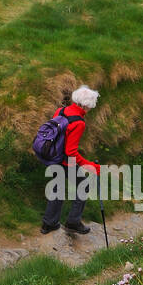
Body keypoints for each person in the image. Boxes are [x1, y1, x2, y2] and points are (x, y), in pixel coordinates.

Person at [40, 85, 101, 236]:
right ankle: (73, 222)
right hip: (67, 161)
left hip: (53, 156)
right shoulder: (79, 123)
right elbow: (71, 151)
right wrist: (90, 166)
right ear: (86, 105)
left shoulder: (61, 110)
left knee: (57, 189)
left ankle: (48, 224)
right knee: (83, 185)